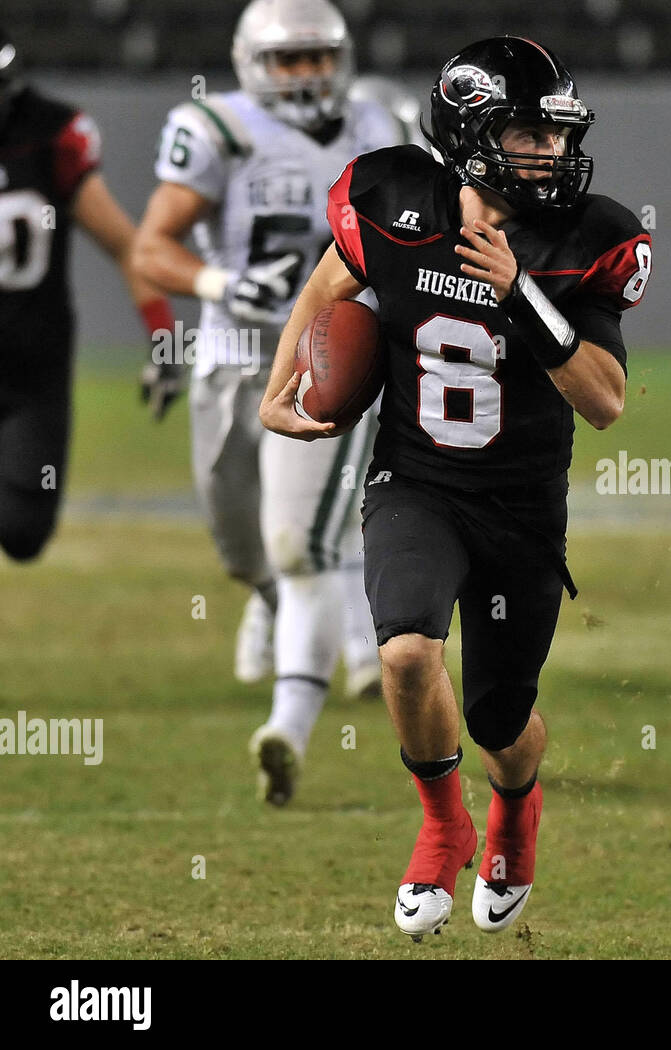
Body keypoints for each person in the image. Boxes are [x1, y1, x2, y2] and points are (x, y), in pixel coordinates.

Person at [260, 36, 652, 939]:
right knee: (404, 653)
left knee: (500, 721)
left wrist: (523, 296)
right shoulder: (391, 199)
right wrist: (277, 394)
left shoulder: (587, 237)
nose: (550, 154)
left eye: (558, 135)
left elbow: (605, 403)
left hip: (520, 504)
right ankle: (443, 826)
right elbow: (326, 294)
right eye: (527, 134)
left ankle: (516, 808)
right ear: (470, 134)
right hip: (417, 481)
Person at [132, 0, 403, 803]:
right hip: (230, 359)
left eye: (319, 57)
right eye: (290, 60)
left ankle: (288, 726)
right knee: (244, 550)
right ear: (255, 63)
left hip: (331, 360)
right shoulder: (219, 128)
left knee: (296, 543)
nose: (307, 73)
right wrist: (224, 283)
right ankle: (272, 604)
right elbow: (152, 246)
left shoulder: (378, 126)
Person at [0, 26, 174, 562]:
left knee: (25, 533)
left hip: (33, 363)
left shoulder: (49, 134)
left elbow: (129, 246)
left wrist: (164, 341)